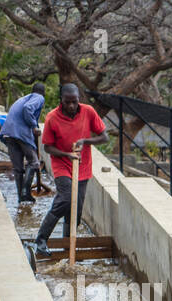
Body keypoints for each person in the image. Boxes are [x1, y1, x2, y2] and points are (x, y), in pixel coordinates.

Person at [33, 84, 107, 257]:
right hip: (62, 164)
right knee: (65, 199)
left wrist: (85, 142)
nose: (72, 106)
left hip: (83, 165)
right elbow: (48, 147)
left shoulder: (88, 112)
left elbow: (104, 137)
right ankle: (41, 239)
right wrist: (66, 154)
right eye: (68, 102)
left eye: (75, 102)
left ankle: (68, 242)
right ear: (62, 101)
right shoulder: (52, 117)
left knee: (77, 209)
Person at [0, 82, 46, 204]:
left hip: (9, 133)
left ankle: (21, 197)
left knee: (18, 168)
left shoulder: (23, 98)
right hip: (20, 132)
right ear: (43, 93)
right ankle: (26, 191)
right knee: (34, 162)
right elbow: (28, 109)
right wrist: (34, 126)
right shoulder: (39, 97)